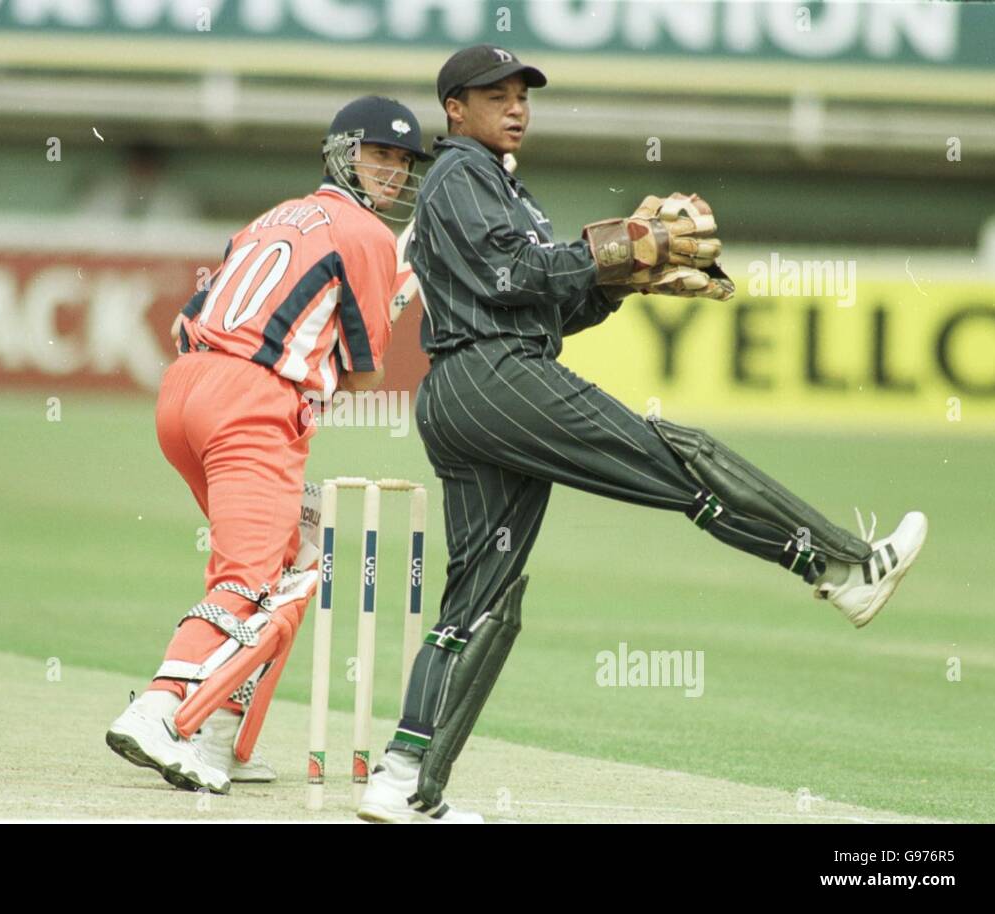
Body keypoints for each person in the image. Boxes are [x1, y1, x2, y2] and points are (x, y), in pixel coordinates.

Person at [356, 44, 928, 824]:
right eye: (496, 95)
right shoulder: (460, 174)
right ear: (455, 109)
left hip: (476, 391)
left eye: (523, 94)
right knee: (679, 460)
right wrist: (619, 246)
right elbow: (514, 274)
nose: (516, 106)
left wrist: (628, 277)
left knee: (481, 601)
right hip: (491, 377)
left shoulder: (505, 188)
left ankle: (403, 779)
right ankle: (840, 566)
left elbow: (555, 305)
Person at [104, 96, 433, 794]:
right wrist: (393, 301)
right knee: (250, 579)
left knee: (287, 560)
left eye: (403, 163)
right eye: (380, 156)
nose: (393, 174)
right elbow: (367, 369)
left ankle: (223, 734)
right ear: (342, 153)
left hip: (184, 390)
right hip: (251, 402)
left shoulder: (271, 216)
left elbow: (185, 324)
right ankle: (161, 709)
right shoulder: (370, 236)